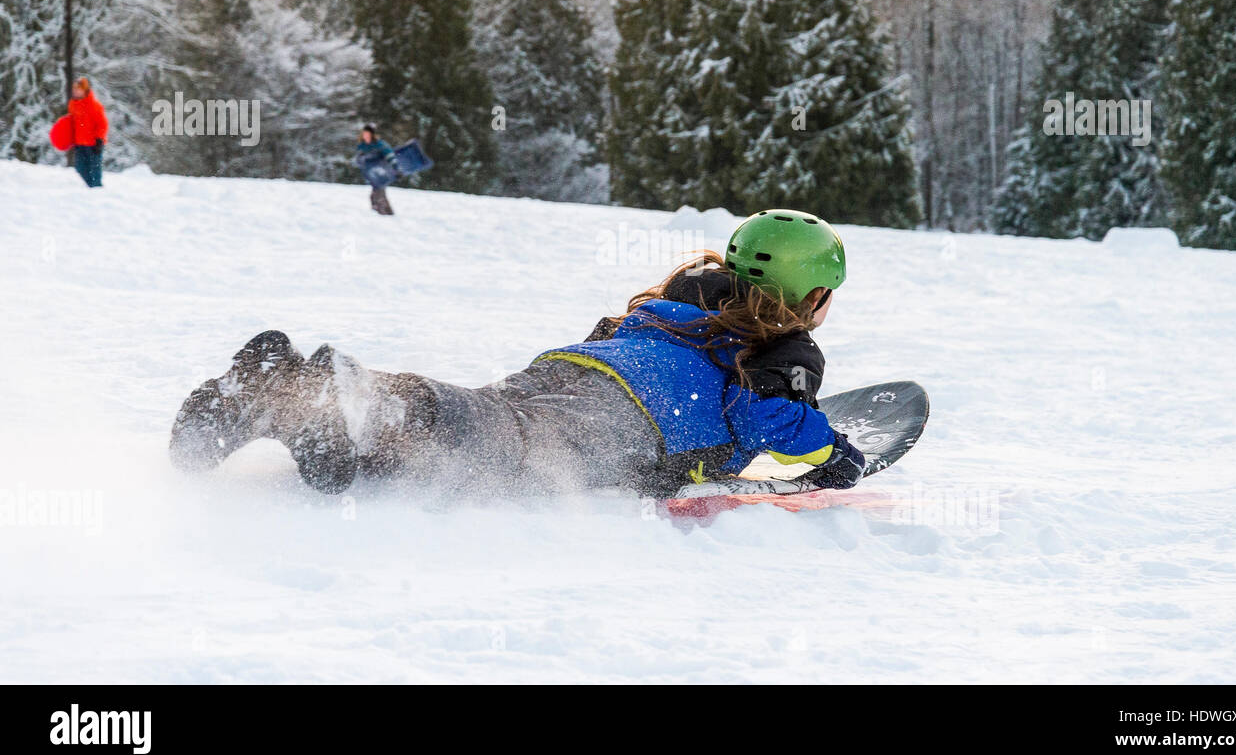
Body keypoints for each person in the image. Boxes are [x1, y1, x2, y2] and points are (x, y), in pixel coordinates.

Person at [169, 209, 867, 498]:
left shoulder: (687, 288)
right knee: (504, 447)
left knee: (492, 418)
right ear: (810, 298)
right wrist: (831, 452)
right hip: (629, 426)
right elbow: (768, 420)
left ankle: (292, 390)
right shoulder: (787, 348)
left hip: (572, 371)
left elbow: (611, 337)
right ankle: (346, 404)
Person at [68, 77, 109, 188]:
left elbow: (102, 124)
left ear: (85, 90)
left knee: (95, 170)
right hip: (80, 144)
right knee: (80, 168)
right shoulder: (73, 105)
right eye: (74, 88)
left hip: (94, 144)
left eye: (79, 89)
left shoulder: (94, 106)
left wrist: (99, 139)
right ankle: (91, 187)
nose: (76, 91)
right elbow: (73, 124)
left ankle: (97, 189)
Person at [354, 124, 396, 216]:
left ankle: (385, 214)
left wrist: (396, 168)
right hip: (371, 174)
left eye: (368, 134)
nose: (365, 136)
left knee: (378, 194)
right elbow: (358, 161)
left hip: (382, 171)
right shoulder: (362, 146)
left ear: (372, 134)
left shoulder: (380, 144)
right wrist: (361, 158)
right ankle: (385, 213)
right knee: (375, 195)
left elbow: (390, 156)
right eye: (364, 133)